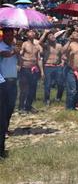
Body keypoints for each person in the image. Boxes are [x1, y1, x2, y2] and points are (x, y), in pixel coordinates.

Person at [0, 28, 19, 159]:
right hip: (3, 82)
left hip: (13, 80)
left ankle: (4, 127)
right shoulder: (2, 46)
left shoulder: (13, 45)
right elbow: (5, 54)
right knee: (3, 109)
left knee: (10, 107)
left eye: (12, 35)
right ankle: (3, 129)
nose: (10, 37)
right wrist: (14, 51)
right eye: (8, 34)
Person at [18, 29, 44, 112]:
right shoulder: (24, 44)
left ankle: (28, 106)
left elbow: (39, 59)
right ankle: (21, 107)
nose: (32, 32)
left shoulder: (37, 45)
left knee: (32, 89)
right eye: (30, 31)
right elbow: (19, 54)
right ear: (26, 35)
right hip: (25, 68)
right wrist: (20, 62)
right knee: (24, 89)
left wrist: (42, 71)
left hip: (34, 69)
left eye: (33, 31)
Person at [40, 29, 65, 105]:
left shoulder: (59, 46)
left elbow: (63, 55)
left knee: (61, 84)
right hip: (48, 66)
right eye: (50, 36)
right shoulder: (46, 46)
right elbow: (40, 42)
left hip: (57, 66)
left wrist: (62, 63)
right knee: (48, 84)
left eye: (52, 35)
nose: (52, 36)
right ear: (47, 38)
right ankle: (47, 99)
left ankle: (58, 98)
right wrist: (45, 33)